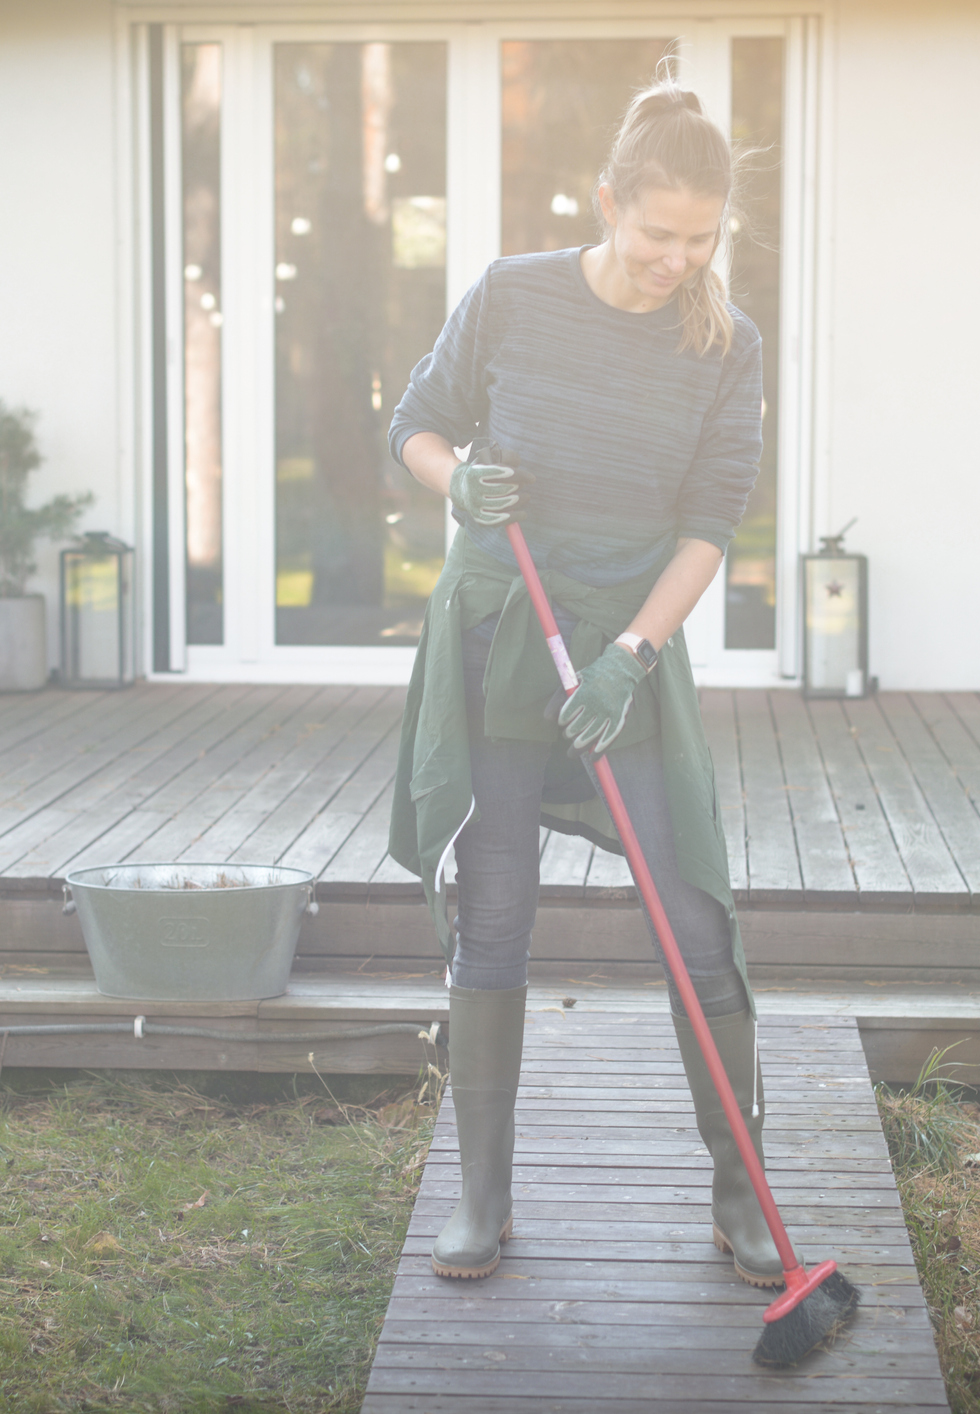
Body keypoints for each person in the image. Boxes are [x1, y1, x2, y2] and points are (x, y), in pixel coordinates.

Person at [386, 80, 773, 1285]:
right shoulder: (512, 293)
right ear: (608, 201)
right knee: (493, 915)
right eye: (656, 232)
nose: (675, 258)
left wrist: (632, 655)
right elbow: (418, 421)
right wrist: (455, 483)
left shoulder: (725, 342)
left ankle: (740, 1194)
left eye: (700, 238)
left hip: (623, 647)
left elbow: (710, 524)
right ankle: (482, 1201)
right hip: (503, 632)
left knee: (695, 919)